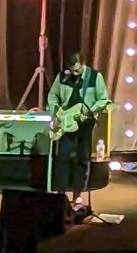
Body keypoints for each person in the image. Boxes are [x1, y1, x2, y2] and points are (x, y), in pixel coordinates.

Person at [47, 52, 110, 204]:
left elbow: (103, 99)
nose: (74, 74)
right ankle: (61, 195)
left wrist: (90, 111)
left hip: (84, 123)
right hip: (66, 123)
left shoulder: (95, 77)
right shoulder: (62, 77)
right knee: (62, 158)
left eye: (77, 70)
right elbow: (53, 95)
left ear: (83, 64)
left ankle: (77, 194)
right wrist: (56, 112)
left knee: (81, 159)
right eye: (71, 70)